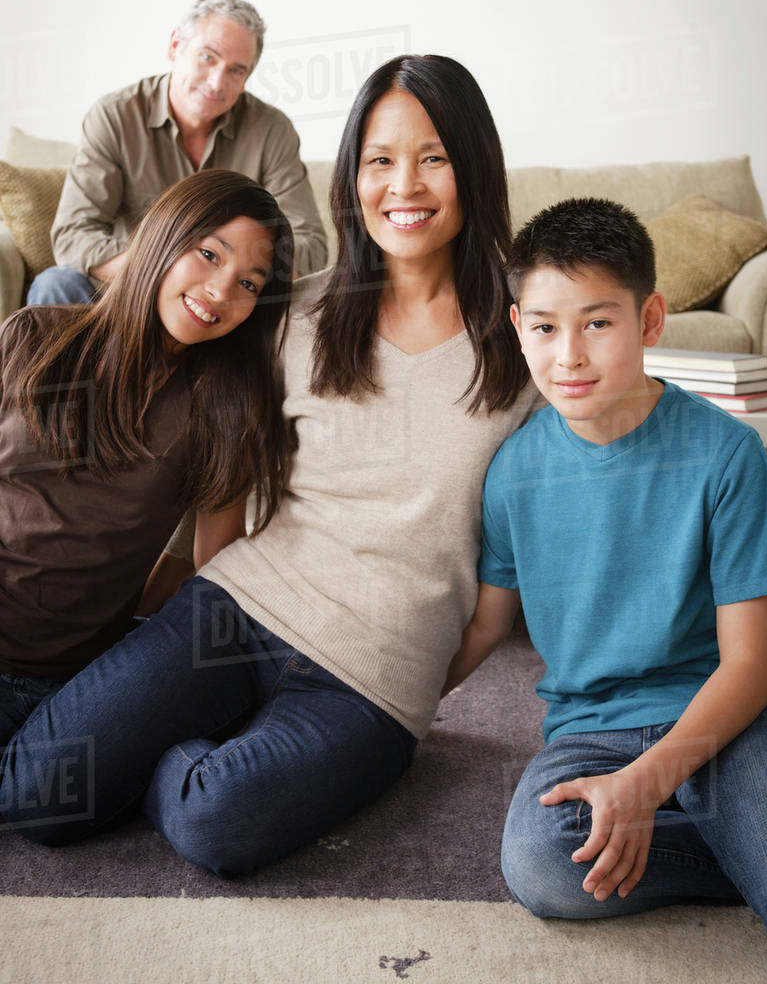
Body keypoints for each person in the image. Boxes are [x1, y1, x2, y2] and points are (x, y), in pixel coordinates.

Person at [0, 54, 534, 873]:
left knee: (218, 824)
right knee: (42, 794)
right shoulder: (290, 313)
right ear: (352, 175)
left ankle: (192, 755)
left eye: (434, 157)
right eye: (380, 160)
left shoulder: (530, 334)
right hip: (233, 613)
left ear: (474, 164)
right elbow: (202, 436)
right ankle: (183, 732)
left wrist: (430, 678)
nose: (405, 185)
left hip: (371, 670)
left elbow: (622, 409)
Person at [443, 197, 767, 951]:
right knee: (540, 867)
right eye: (544, 327)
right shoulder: (511, 473)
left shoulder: (725, 455)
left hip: (723, 715)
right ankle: (749, 845)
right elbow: (487, 623)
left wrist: (647, 784)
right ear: (518, 328)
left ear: (650, 321)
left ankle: (754, 842)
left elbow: (752, 665)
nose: (567, 354)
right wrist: (399, 698)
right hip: (592, 731)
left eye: (597, 323)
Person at [0, 168, 293, 751]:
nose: (221, 289)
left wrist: (136, 636)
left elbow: (213, 563)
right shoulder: (31, 336)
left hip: (52, 680)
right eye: (209, 254)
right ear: (163, 236)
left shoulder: (221, 408)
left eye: (250, 284)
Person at [26, 0, 326, 305]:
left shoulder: (272, 130)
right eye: (207, 57)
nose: (216, 82)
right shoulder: (115, 116)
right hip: (129, 289)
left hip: (221, 300)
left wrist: (226, 269)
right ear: (175, 46)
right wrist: (169, 267)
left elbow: (311, 246)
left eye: (236, 70)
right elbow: (74, 234)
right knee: (55, 285)